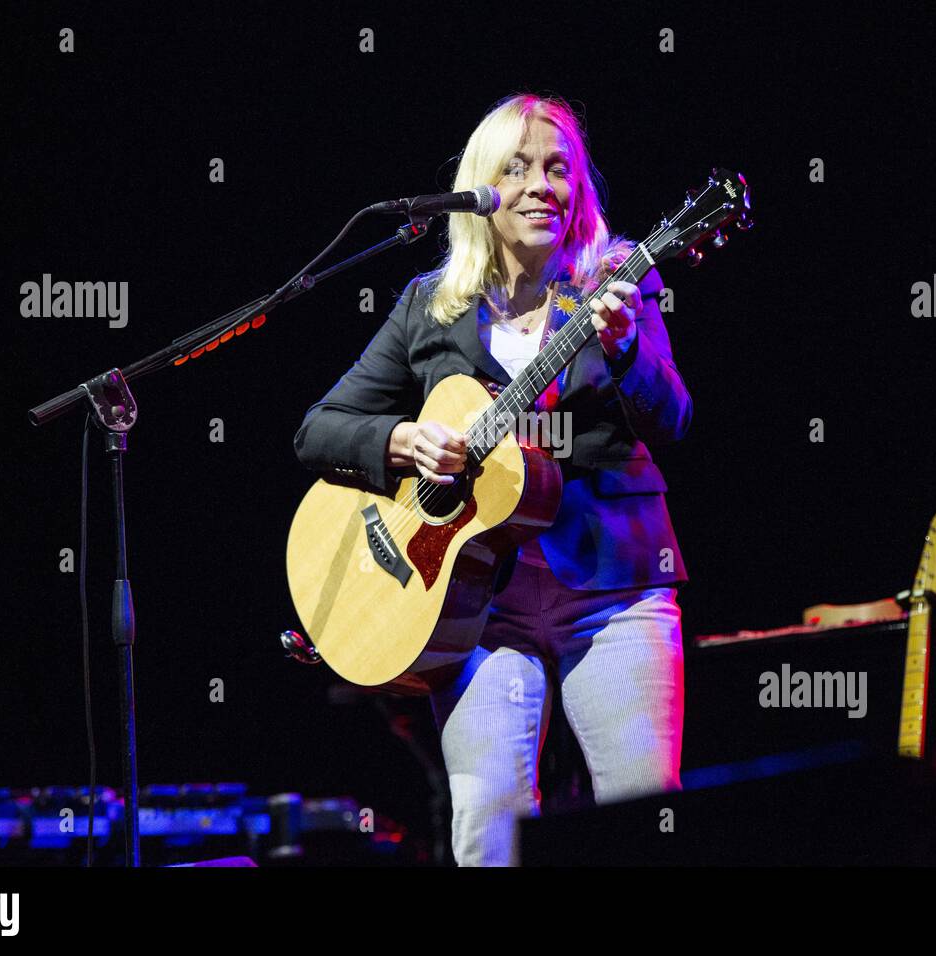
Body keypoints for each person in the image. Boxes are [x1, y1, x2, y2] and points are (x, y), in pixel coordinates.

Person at [294, 93, 692, 866]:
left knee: (643, 822)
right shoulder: (430, 306)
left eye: (558, 169)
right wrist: (404, 441)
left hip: (613, 592)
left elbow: (672, 417)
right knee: (487, 826)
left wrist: (626, 348)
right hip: (478, 605)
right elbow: (318, 431)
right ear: (481, 189)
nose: (543, 185)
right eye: (518, 169)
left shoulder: (613, 283)